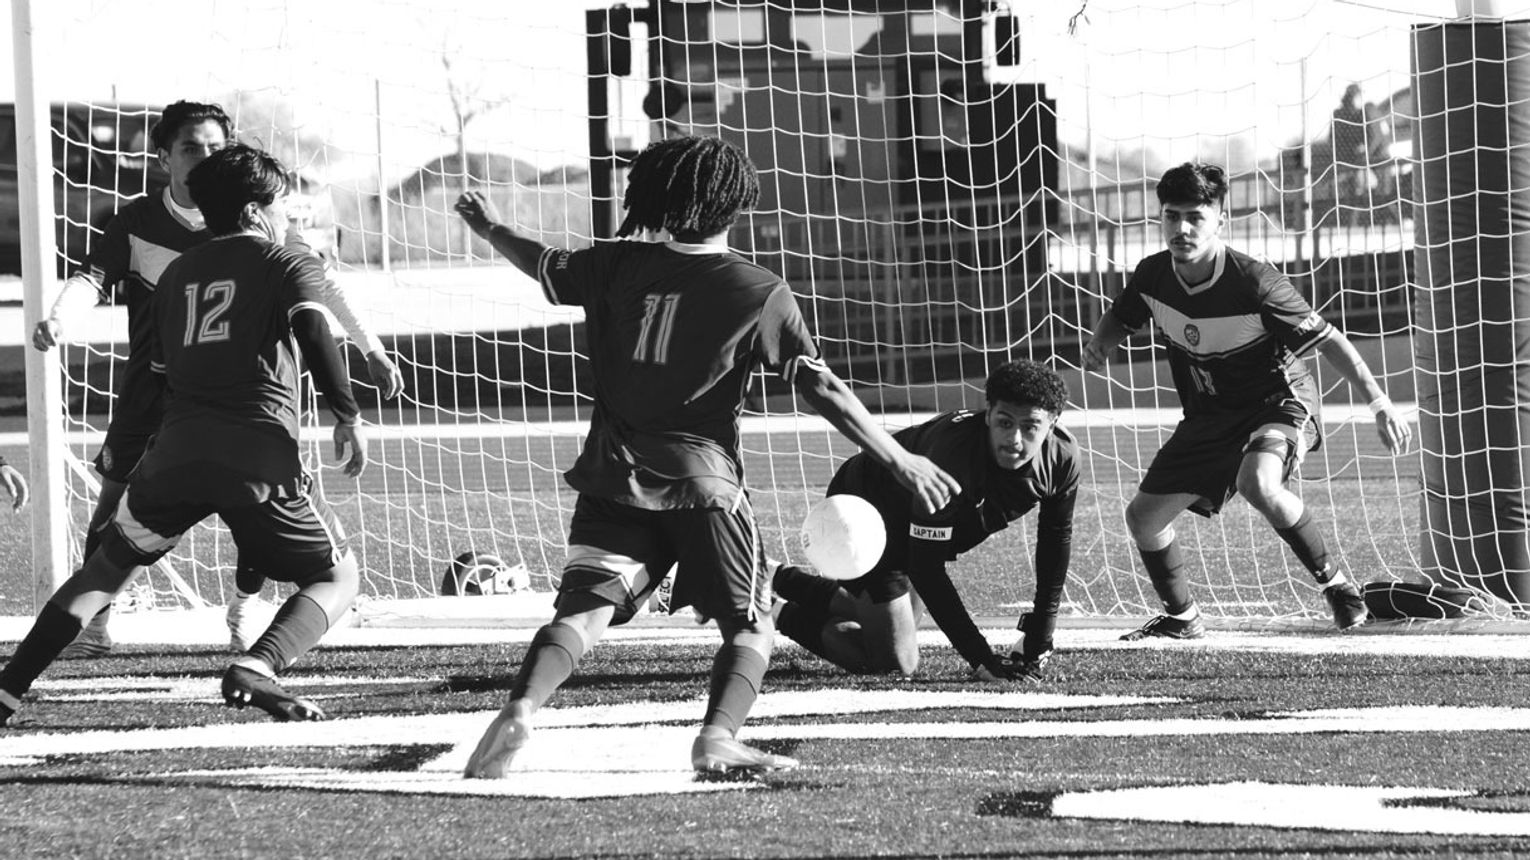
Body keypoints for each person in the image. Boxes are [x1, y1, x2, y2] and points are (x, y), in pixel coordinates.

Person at [453, 135, 960, 778]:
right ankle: (717, 737)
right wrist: (900, 459)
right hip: (704, 486)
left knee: (582, 613)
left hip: (611, 477)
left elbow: (544, 263)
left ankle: (522, 707)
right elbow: (820, 387)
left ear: (658, 201)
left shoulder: (612, 265)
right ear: (737, 203)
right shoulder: (758, 289)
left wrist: (491, 226)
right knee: (750, 627)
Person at [0, 143, 368, 726]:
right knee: (335, 577)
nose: (288, 219)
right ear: (253, 212)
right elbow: (316, 334)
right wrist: (346, 414)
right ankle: (259, 664)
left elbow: (165, 372)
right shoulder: (284, 261)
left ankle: (9, 687)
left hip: (172, 450)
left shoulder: (174, 276)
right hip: (255, 453)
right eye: (281, 208)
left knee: (101, 572)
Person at [31, 100, 402, 657]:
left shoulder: (260, 219)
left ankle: (243, 607)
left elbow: (321, 288)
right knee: (113, 513)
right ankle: (98, 626)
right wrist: (60, 321)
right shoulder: (138, 220)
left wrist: (369, 346)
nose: (203, 155)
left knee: (252, 506)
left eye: (214, 147)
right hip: (153, 391)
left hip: (243, 394)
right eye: (190, 147)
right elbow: (93, 278)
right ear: (164, 158)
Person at [1082, 162, 1411, 640]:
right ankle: (1182, 617)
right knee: (1142, 518)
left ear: (1221, 219)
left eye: (1195, 216)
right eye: (1171, 216)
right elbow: (1123, 315)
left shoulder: (1254, 281)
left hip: (1277, 400)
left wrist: (1379, 402)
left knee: (1258, 481)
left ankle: (1340, 589)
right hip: (1210, 414)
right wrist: (1100, 343)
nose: (1182, 228)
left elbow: (1329, 340)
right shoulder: (1153, 275)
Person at [772, 360, 1078, 682]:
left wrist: (1041, 633)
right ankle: (769, 610)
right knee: (895, 661)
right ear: (988, 414)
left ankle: (776, 578)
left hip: (914, 522)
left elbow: (1056, 537)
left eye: (1030, 427)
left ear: (1053, 423)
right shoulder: (952, 461)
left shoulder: (1063, 459)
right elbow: (926, 569)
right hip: (869, 513)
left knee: (885, 617)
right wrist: (982, 658)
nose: (1014, 439)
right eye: (1004, 422)